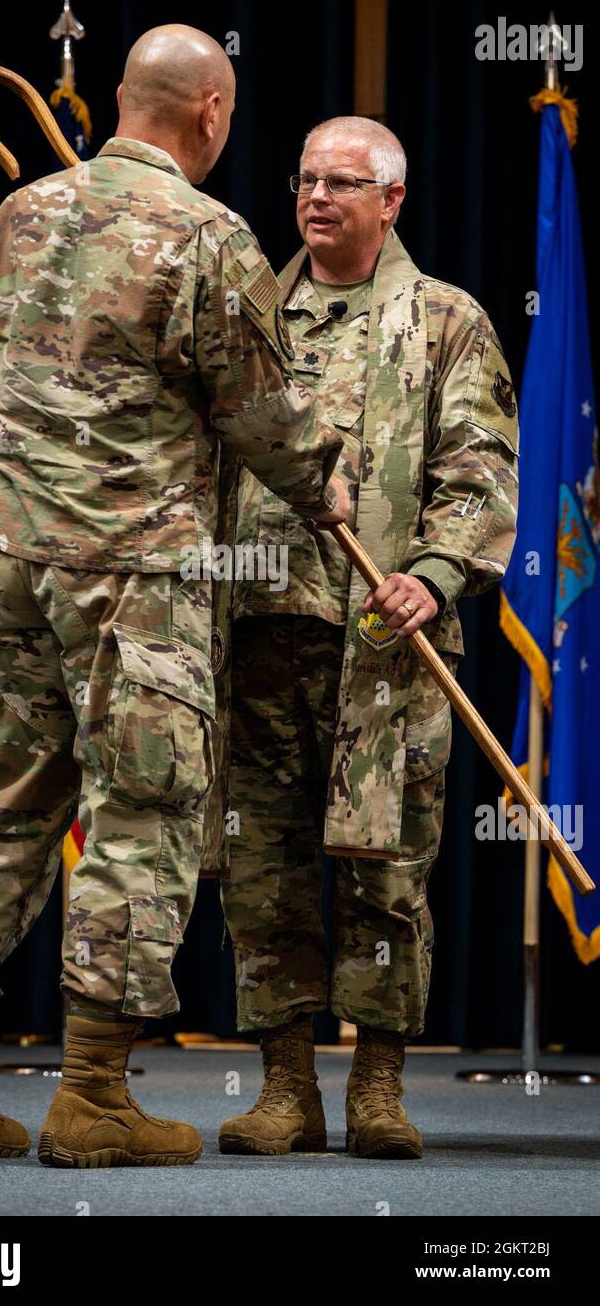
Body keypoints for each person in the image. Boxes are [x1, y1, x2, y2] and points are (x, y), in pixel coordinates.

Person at [0, 27, 347, 1170]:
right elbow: (260, 413)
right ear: (213, 113)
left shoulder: (16, 215)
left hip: (2, 565)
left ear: (124, 100)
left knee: (2, 809)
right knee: (143, 815)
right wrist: (324, 482)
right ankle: (92, 1095)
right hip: (134, 576)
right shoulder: (211, 234)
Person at [219, 116, 519, 1159]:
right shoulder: (247, 312)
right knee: (260, 867)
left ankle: (378, 1086)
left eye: (341, 182)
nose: (314, 197)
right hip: (254, 635)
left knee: (387, 870)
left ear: (390, 200)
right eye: (304, 178)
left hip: (382, 649)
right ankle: (283, 1088)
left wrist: (434, 577)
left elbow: (478, 473)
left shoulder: (444, 320)